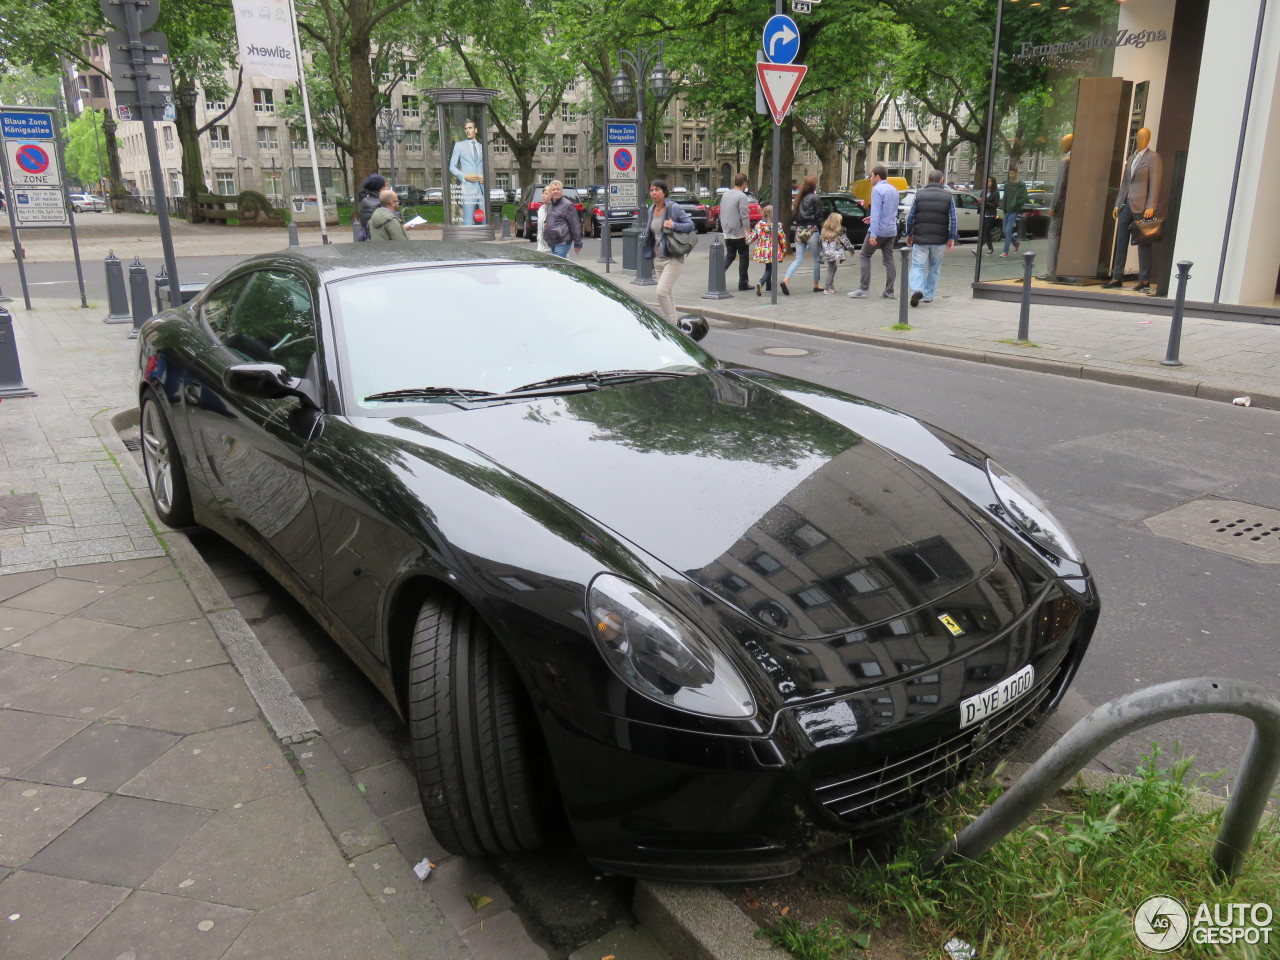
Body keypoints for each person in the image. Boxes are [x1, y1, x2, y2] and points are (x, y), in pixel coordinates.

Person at [1102, 127, 1161, 293]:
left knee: (1143, 243)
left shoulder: (1153, 158)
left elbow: (1155, 183)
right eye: (1139, 136)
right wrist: (1117, 203)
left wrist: (1151, 205)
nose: (1141, 139)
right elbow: (1125, 183)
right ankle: (1117, 277)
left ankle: (1145, 280)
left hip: (1142, 206)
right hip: (1126, 204)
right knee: (1120, 241)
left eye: (1144, 136)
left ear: (1148, 139)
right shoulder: (1132, 157)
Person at [640, 179, 696, 325]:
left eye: (657, 190)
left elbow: (690, 225)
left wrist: (674, 225)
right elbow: (651, 232)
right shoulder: (651, 209)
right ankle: (675, 323)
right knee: (667, 293)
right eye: (651, 190)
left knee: (661, 292)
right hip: (657, 258)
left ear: (664, 192)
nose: (653, 193)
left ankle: (671, 324)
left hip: (672, 257)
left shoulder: (673, 208)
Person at [904, 169, 957, 307]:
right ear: (942, 180)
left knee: (917, 266)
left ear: (928, 180)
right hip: (939, 239)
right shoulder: (948, 196)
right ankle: (928, 295)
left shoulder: (919, 194)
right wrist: (952, 237)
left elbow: (911, 216)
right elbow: (953, 218)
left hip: (920, 237)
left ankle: (917, 290)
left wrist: (909, 234)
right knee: (934, 268)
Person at [850, 165, 898, 299]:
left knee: (865, 255)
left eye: (871, 175)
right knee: (889, 260)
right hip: (891, 230)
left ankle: (864, 288)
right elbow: (890, 211)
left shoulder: (877, 190)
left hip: (879, 230)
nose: (870, 178)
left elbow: (876, 212)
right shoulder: (894, 189)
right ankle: (889, 291)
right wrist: (872, 218)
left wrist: (873, 234)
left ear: (877, 176)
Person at [781, 175, 822, 295]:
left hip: (800, 230)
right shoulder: (815, 198)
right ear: (814, 185)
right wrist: (822, 231)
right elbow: (819, 216)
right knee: (816, 259)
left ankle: (786, 280)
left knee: (798, 259)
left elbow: (794, 215)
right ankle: (816, 284)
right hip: (812, 229)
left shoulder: (799, 198)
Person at [1044, 133, 1072, 278]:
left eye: (1062, 142)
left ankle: (1051, 271)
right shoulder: (1079, 160)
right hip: (1073, 206)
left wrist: (1052, 207)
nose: (1060, 145)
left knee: (1053, 234)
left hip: (1061, 205)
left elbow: (1059, 187)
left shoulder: (1065, 161)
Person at [448, 117, 485, 224]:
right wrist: (464, 176)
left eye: (470, 128)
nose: (467, 130)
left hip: (482, 189)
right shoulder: (459, 146)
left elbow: (484, 166)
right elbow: (452, 167)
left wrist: (484, 177)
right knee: (468, 220)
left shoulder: (482, 147)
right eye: (466, 128)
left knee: (484, 219)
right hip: (468, 189)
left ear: (475, 130)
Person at [719, 173, 753, 291]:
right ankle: (743, 283)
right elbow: (744, 214)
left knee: (730, 255)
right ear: (744, 184)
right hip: (739, 232)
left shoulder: (725, 194)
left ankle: (717, 275)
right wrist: (748, 231)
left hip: (727, 230)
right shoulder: (742, 196)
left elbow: (721, 211)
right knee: (743, 257)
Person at [749, 204, 787, 296]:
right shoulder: (777, 225)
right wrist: (783, 250)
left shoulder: (759, 225)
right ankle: (761, 282)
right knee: (771, 269)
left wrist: (747, 239)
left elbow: (752, 237)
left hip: (763, 251)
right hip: (773, 250)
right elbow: (782, 238)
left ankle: (769, 287)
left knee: (768, 267)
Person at [539, 180, 582, 258]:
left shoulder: (568, 205)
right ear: (550, 191)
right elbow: (550, 219)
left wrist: (577, 243)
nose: (556, 191)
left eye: (558, 189)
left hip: (562, 241)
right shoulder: (551, 204)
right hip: (552, 242)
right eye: (553, 189)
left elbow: (575, 225)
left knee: (556, 265)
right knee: (559, 266)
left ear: (562, 191)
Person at [817, 212, 856, 295]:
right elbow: (846, 242)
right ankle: (827, 288)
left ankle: (831, 284)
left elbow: (819, 240)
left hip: (826, 252)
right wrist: (851, 250)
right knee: (831, 269)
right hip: (834, 253)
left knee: (834, 267)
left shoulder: (824, 229)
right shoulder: (839, 230)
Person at [1000, 167, 1029, 257]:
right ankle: (1016, 243)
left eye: (1012, 173)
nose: (1011, 175)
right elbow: (1005, 196)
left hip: (1014, 210)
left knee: (1008, 230)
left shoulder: (1021, 185)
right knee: (1005, 231)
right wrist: (1003, 205)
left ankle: (1005, 251)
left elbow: (1024, 197)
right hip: (1006, 210)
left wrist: (1017, 203)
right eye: (1009, 173)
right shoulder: (1007, 185)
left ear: (1016, 173)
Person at [356, 174, 385, 241]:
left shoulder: (366, 201)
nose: (387, 188)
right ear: (379, 187)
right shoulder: (377, 204)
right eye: (385, 186)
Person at [977, 175, 1000, 255]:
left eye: (990, 181)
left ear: (993, 183)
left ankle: (979, 249)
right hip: (983, 214)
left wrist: (984, 202)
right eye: (987, 181)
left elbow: (995, 205)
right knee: (983, 232)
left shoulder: (996, 193)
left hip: (990, 214)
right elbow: (980, 201)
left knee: (986, 231)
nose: (988, 183)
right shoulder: (983, 191)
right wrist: (979, 202)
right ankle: (990, 248)